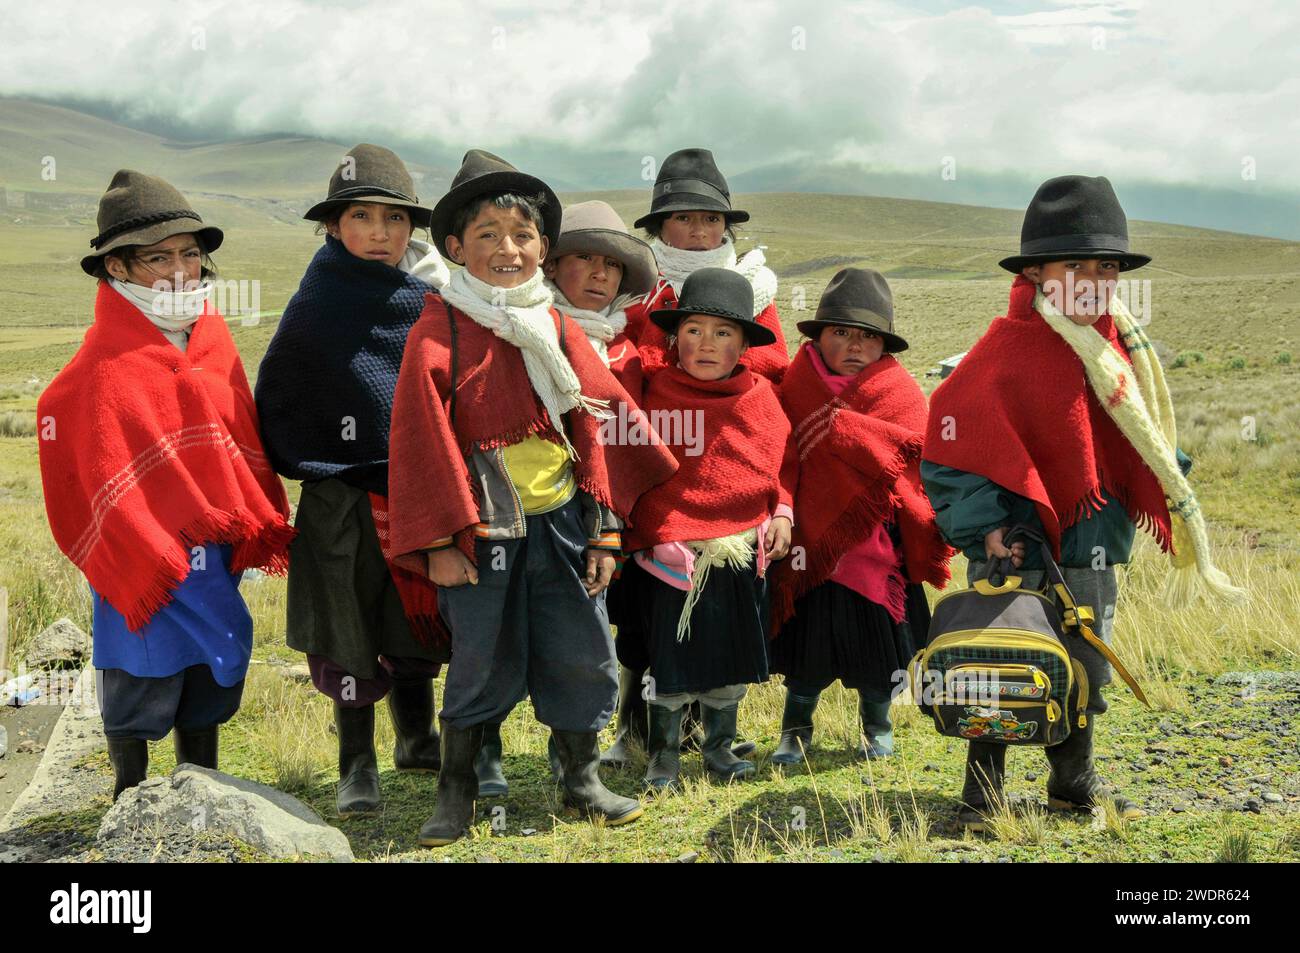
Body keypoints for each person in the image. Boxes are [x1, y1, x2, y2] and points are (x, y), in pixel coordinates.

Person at [921, 175, 1245, 831]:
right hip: (1012, 546)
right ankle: (981, 794)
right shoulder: (1003, 351)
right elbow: (948, 448)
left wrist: (1171, 480)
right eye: (1077, 264)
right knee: (998, 660)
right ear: (1038, 270)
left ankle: (1072, 786)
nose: (1095, 279)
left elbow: (1137, 433)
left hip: (1091, 545)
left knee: (1086, 668)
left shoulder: (1114, 349)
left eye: (1108, 265)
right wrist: (984, 529)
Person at [384, 150, 678, 846]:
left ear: (544, 249)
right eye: (486, 236)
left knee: (581, 649)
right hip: (481, 537)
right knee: (480, 658)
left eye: (521, 236)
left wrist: (606, 531)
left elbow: (599, 429)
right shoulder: (437, 334)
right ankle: (457, 793)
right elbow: (420, 451)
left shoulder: (557, 329)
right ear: (454, 247)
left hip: (565, 528)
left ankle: (580, 781)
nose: (506, 250)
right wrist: (435, 546)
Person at [38, 170, 293, 799]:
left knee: (212, 664)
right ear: (116, 267)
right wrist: (130, 525)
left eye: (189, 254)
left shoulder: (211, 334)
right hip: (143, 553)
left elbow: (233, 426)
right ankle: (129, 797)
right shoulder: (102, 362)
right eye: (159, 257)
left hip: (214, 544)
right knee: (139, 668)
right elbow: (64, 419)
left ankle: (199, 786)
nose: (180, 270)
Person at [255, 144, 450, 817]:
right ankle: (355, 762)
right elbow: (279, 395)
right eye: (362, 216)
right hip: (340, 501)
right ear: (334, 225)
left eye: (395, 219)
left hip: (413, 496)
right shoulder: (316, 305)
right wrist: (321, 460)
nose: (380, 231)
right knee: (348, 627)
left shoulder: (426, 301)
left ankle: (418, 737)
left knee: (413, 619)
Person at [769, 268, 952, 764]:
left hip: (876, 548)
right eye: (841, 332)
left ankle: (877, 724)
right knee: (807, 652)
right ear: (819, 336)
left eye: (867, 336)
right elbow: (777, 451)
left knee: (878, 653)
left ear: (884, 344)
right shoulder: (795, 385)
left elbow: (915, 468)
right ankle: (795, 728)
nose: (854, 345)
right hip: (810, 544)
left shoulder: (900, 392)